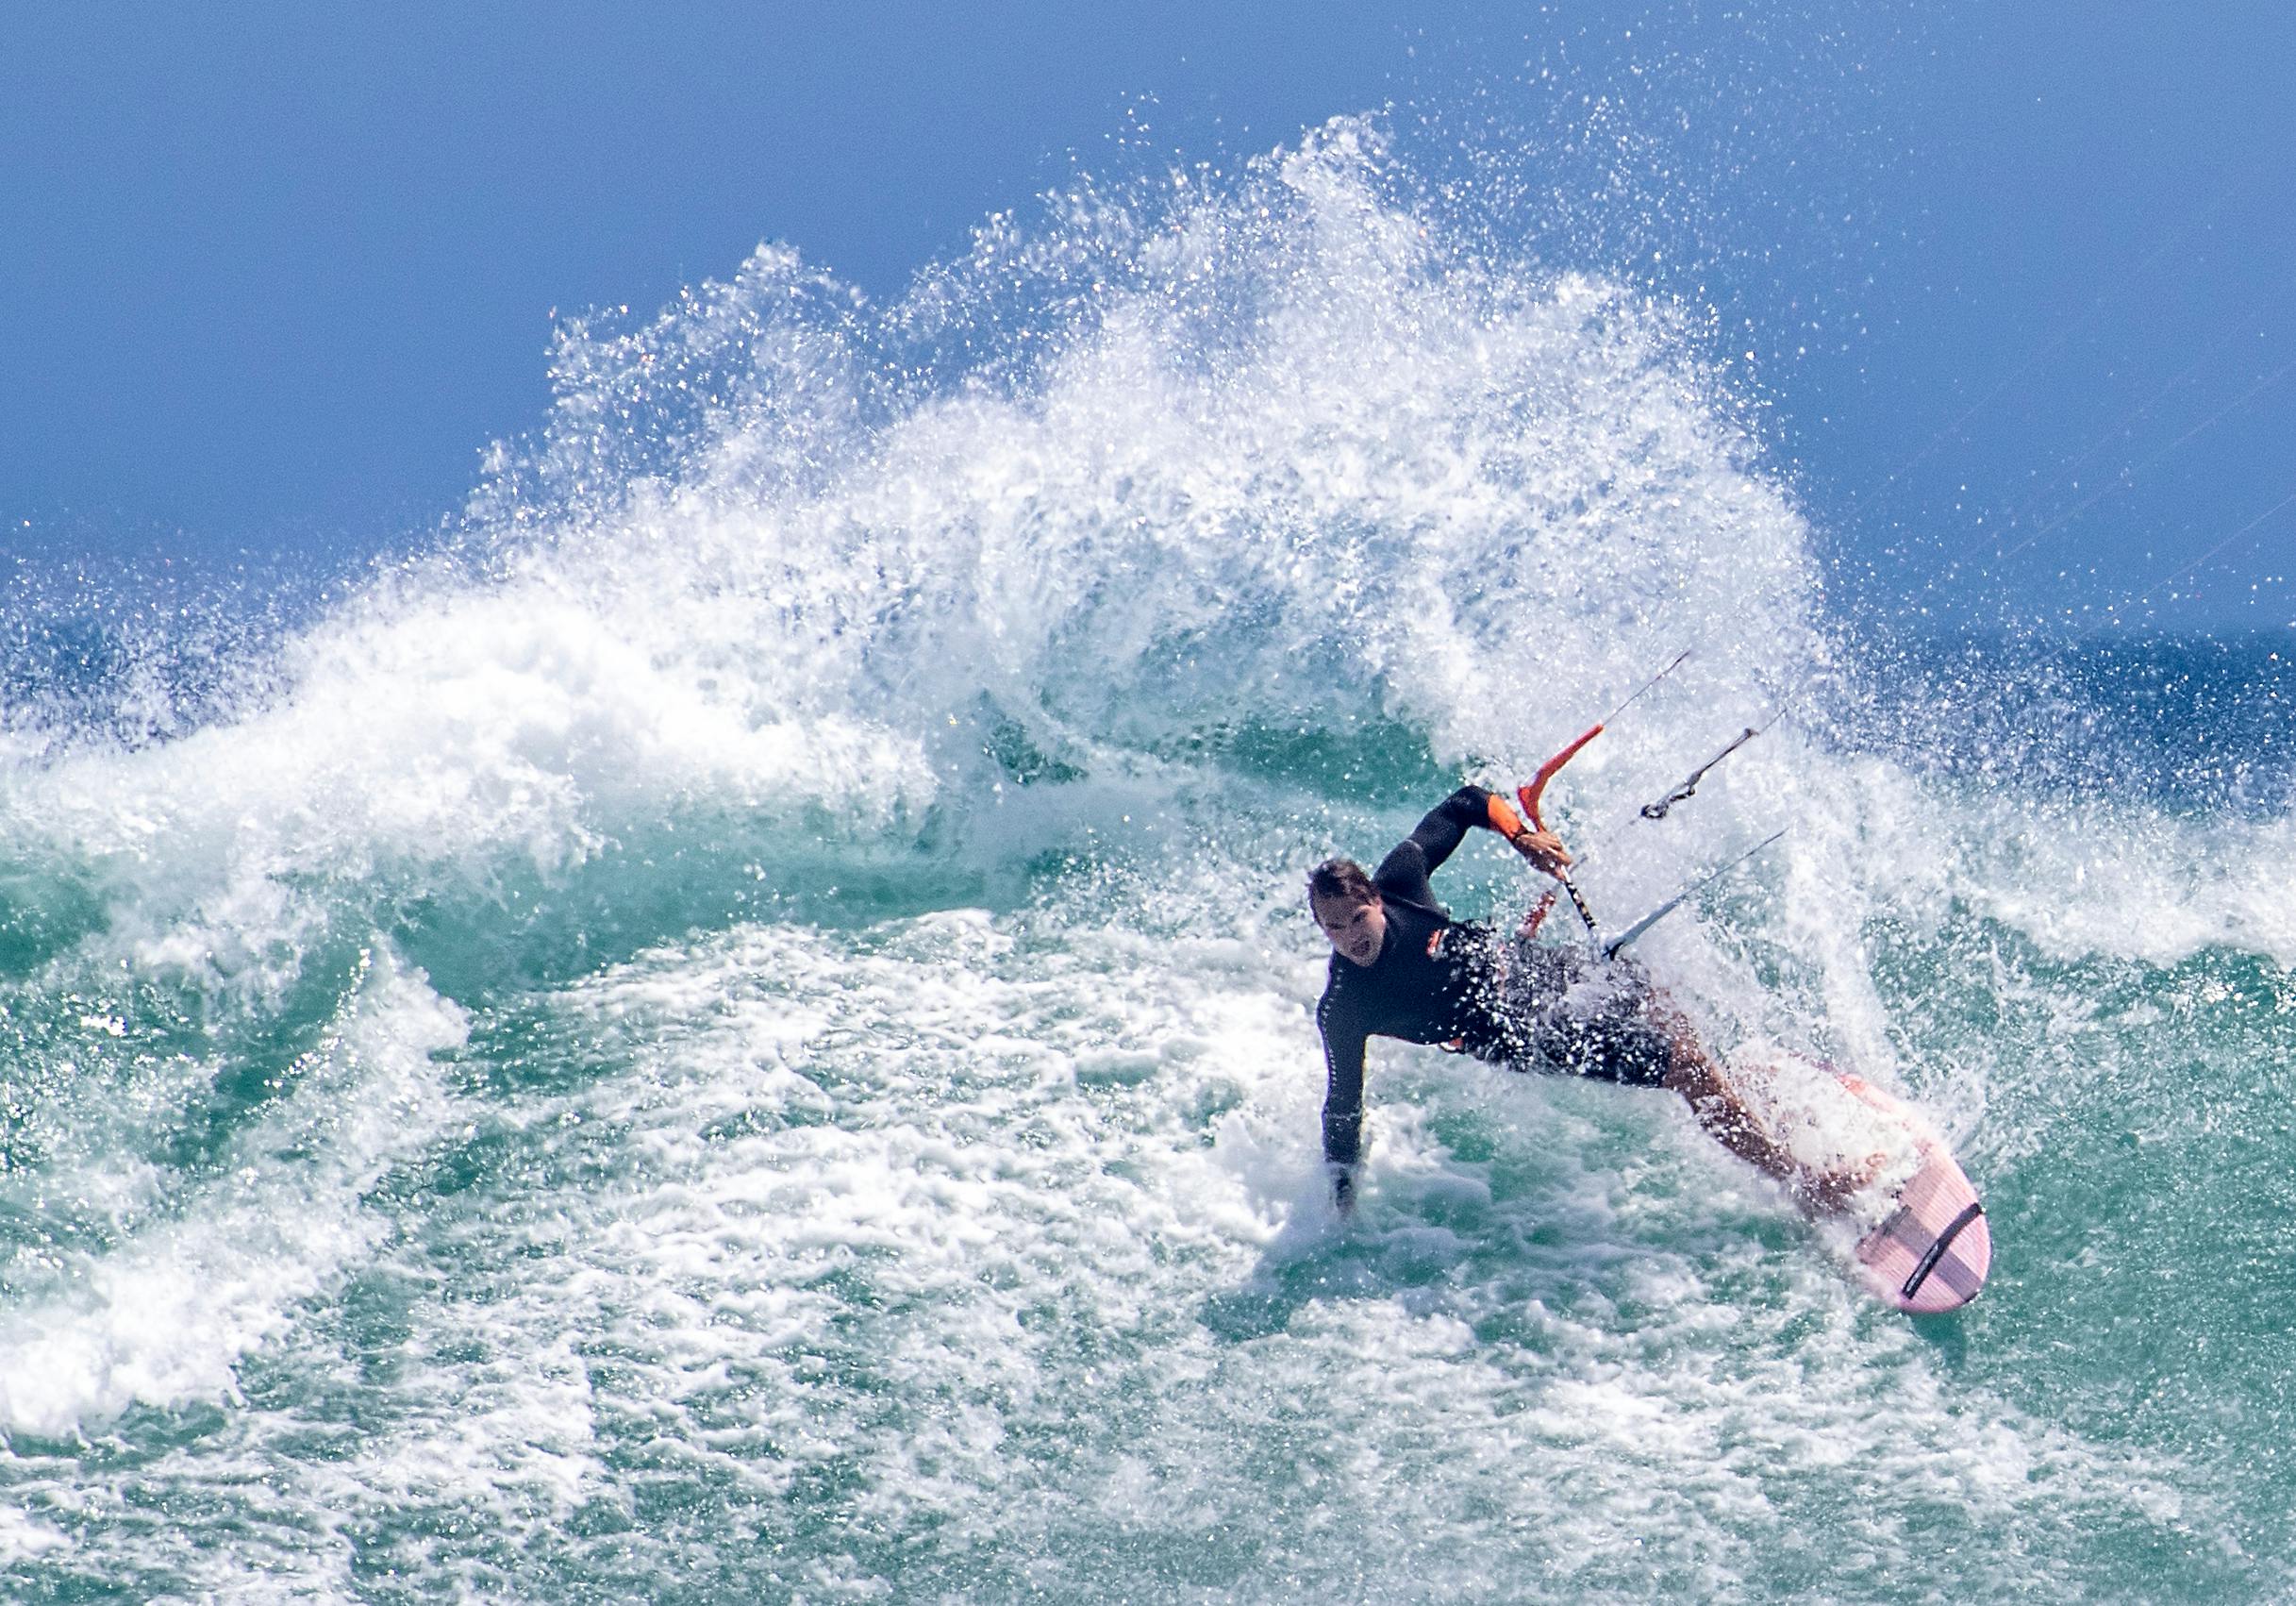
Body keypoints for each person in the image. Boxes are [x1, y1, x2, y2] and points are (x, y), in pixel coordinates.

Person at [1308, 783, 1836, 1215]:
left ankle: (1732, 1102)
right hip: (1516, 1035)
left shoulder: (1400, 876)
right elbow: (1343, 1105)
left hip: (1523, 969)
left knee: (1648, 986)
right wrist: (1342, 1193)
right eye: (1333, 929)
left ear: (1375, 899)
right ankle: (1801, 1183)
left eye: (1357, 919)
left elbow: (1465, 802)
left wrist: (1521, 838)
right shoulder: (1345, 1007)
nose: (1351, 939)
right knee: (1684, 1069)